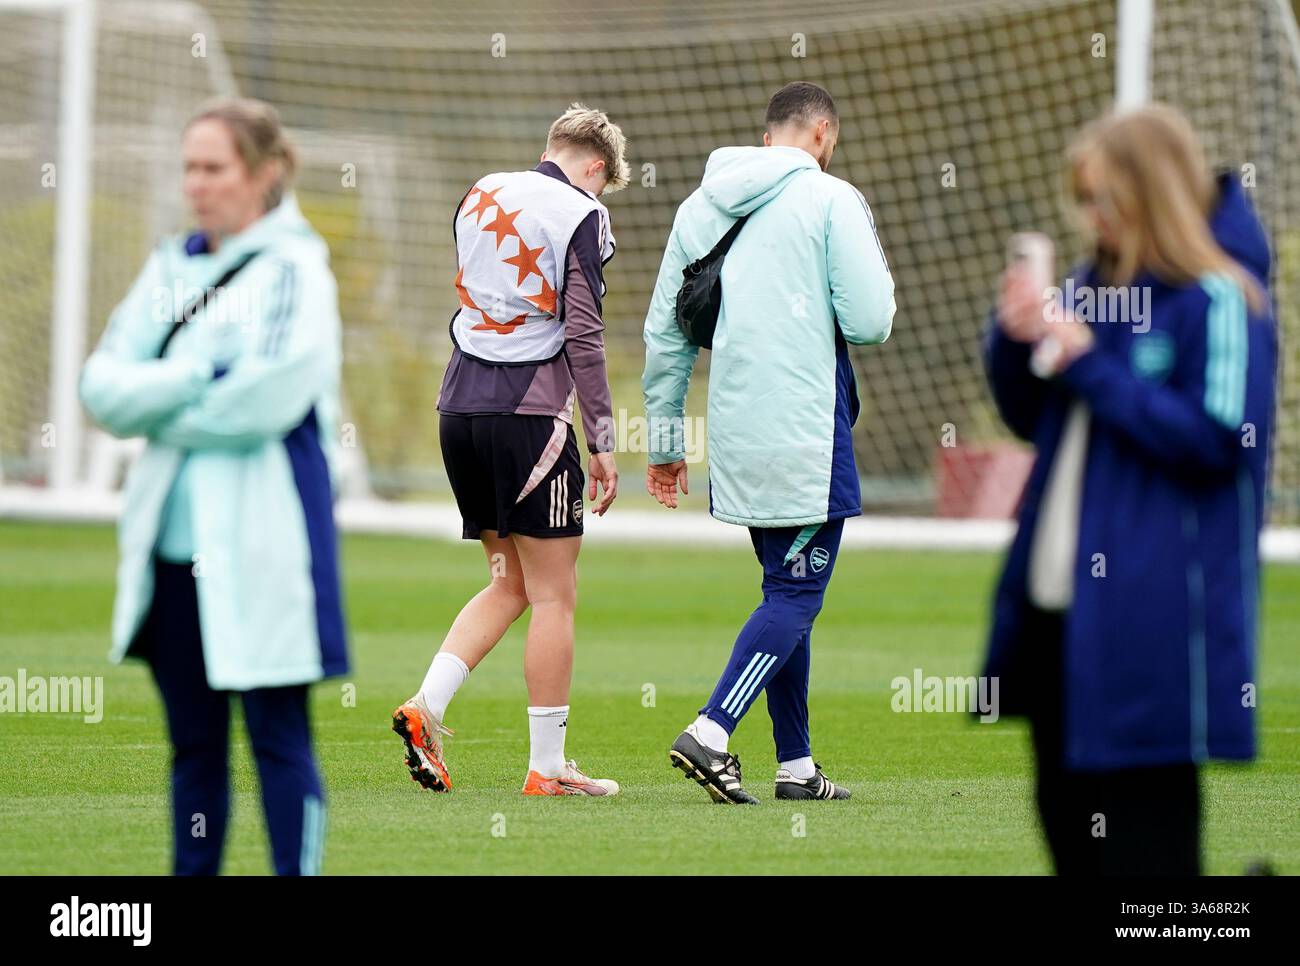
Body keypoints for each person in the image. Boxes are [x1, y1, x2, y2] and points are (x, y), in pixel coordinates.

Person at [982, 103, 1277, 874]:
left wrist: (1087, 363)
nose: (1093, 217)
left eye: (1105, 198)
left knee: (1148, 852)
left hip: (1150, 616)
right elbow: (1033, 417)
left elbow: (1217, 440)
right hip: (1057, 612)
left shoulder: (1218, 299)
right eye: (1083, 199)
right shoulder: (1089, 289)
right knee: (1068, 827)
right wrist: (1016, 342)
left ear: (1152, 194)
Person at [79, 97, 348, 874]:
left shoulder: (297, 268)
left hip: (266, 548)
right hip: (170, 558)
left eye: (214, 168)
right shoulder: (171, 263)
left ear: (264, 174)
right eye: (189, 168)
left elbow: (266, 403)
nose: (196, 184)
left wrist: (160, 401)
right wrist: (200, 374)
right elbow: (100, 389)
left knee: (277, 738)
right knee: (193, 748)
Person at [642, 81, 895, 803]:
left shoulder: (703, 205)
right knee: (795, 594)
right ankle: (712, 730)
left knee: (784, 590)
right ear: (823, 134)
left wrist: (664, 441)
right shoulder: (829, 199)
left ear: (765, 139)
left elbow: (666, 334)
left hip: (738, 431)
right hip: (806, 433)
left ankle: (796, 766)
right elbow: (872, 319)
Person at [392, 103, 626, 796]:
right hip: (528, 419)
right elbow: (582, 333)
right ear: (595, 168)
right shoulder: (581, 211)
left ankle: (425, 709)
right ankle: (546, 768)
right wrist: (604, 440)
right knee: (555, 594)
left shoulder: (480, 191)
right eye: (604, 186)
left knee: (510, 582)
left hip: (458, 409)